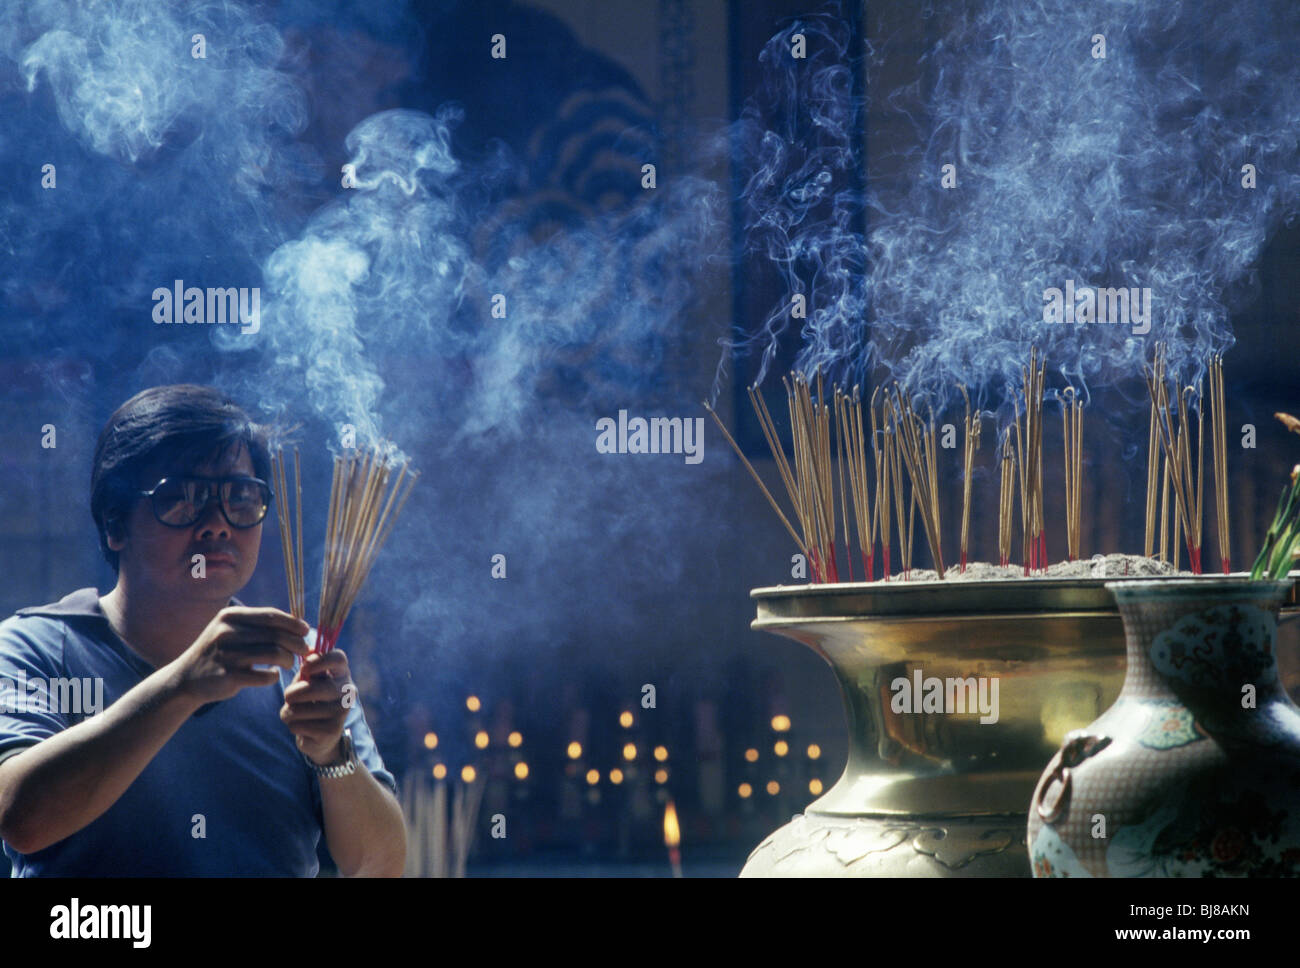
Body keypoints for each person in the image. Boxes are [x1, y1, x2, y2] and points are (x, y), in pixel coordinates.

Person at [0, 385, 406, 876]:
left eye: (241, 497)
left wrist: (329, 752)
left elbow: (380, 865)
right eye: (182, 498)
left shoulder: (296, 663)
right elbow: (21, 818)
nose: (217, 525)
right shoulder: (38, 648)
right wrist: (182, 684)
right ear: (115, 523)